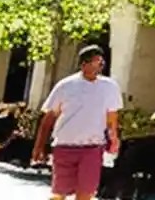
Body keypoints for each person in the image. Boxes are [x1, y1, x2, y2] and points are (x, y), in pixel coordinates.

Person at [32, 45, 124, 200]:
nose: (99, 66)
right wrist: (38, 146)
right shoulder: (66, 86)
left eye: (101, 62)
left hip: (93, 147)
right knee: (58, 193)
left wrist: (114, 139)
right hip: (64, 146)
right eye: (95, 61)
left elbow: (112, 117)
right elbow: (49, 118)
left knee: (86, 193)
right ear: (83, 64)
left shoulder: (110, 87)